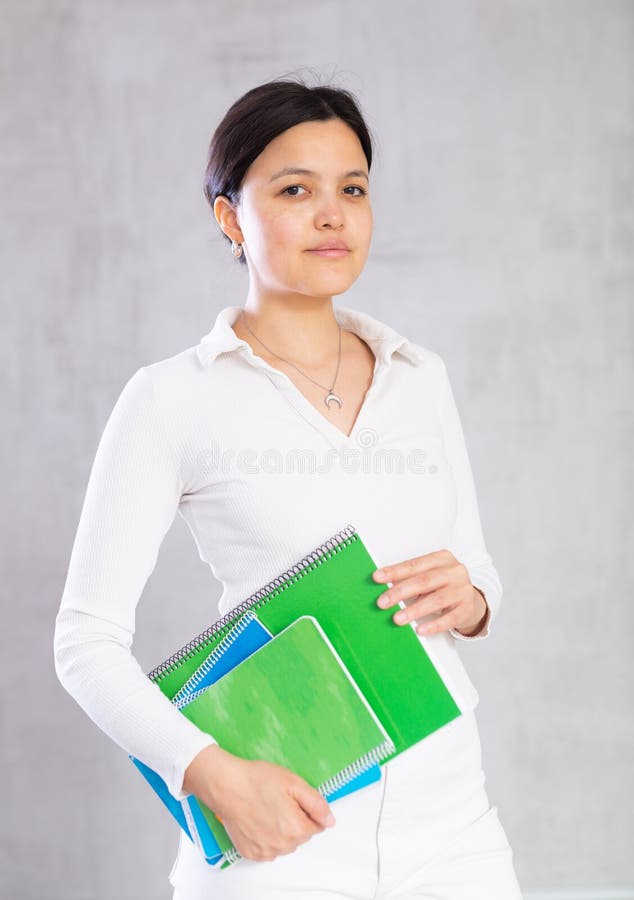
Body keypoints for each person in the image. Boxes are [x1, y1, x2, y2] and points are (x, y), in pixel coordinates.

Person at [54, 75, 523, 899]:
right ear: (230, 217)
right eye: (295, 189)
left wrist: (473, 597)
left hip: (455, 829)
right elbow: (83, 644)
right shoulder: (172, 399)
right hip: (283, 827)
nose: (332, 213)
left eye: (353, 189)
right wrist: (213, 775)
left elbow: (477, 569)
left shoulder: (421, 378)